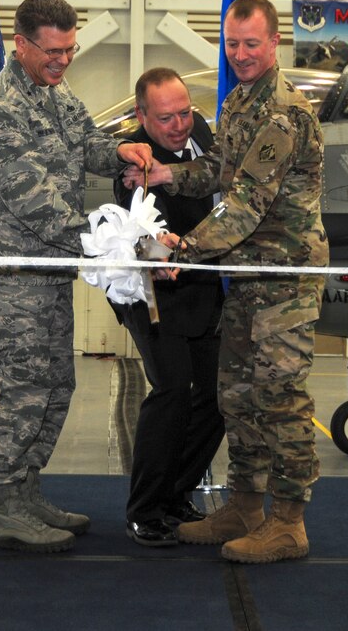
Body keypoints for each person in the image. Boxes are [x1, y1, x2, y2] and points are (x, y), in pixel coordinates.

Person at [124, 0, 329, 564]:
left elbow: (245, 204)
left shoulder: (285, 114)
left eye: (251, 44)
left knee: (282, 401)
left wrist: (184, 249)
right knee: (237, 396)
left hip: (284, 281)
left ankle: (288, 522)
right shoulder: (241, 102)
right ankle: (244, 506)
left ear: (274, 43)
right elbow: (220, 171)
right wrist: (171, 172)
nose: (239, 54)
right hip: (247, 277)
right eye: (231, 43)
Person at [0, 0, 153, 553]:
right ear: (20, 44)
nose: (63, 61)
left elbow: (86, 144)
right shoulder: (1, 109)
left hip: (47, 275)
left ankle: (26, 491)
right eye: (53, 52)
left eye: (70, 50)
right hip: (11, 276)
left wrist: (123, 151)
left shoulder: (54, 91)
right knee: (15, 390)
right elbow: (36, 203)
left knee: (53, 385)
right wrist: (109, 246)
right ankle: (1, 507)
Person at [111, 67, 226, 547]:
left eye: (185, 112)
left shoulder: (202, 131)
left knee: (218, 399)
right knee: (174, 390)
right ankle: (145, 508)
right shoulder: (134, 163)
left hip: (202, 289)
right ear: (142, 116)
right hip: (152, 292)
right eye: (165, 118)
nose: (179, 125)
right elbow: (137, 233)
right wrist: (159, 251)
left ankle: (178, 491)